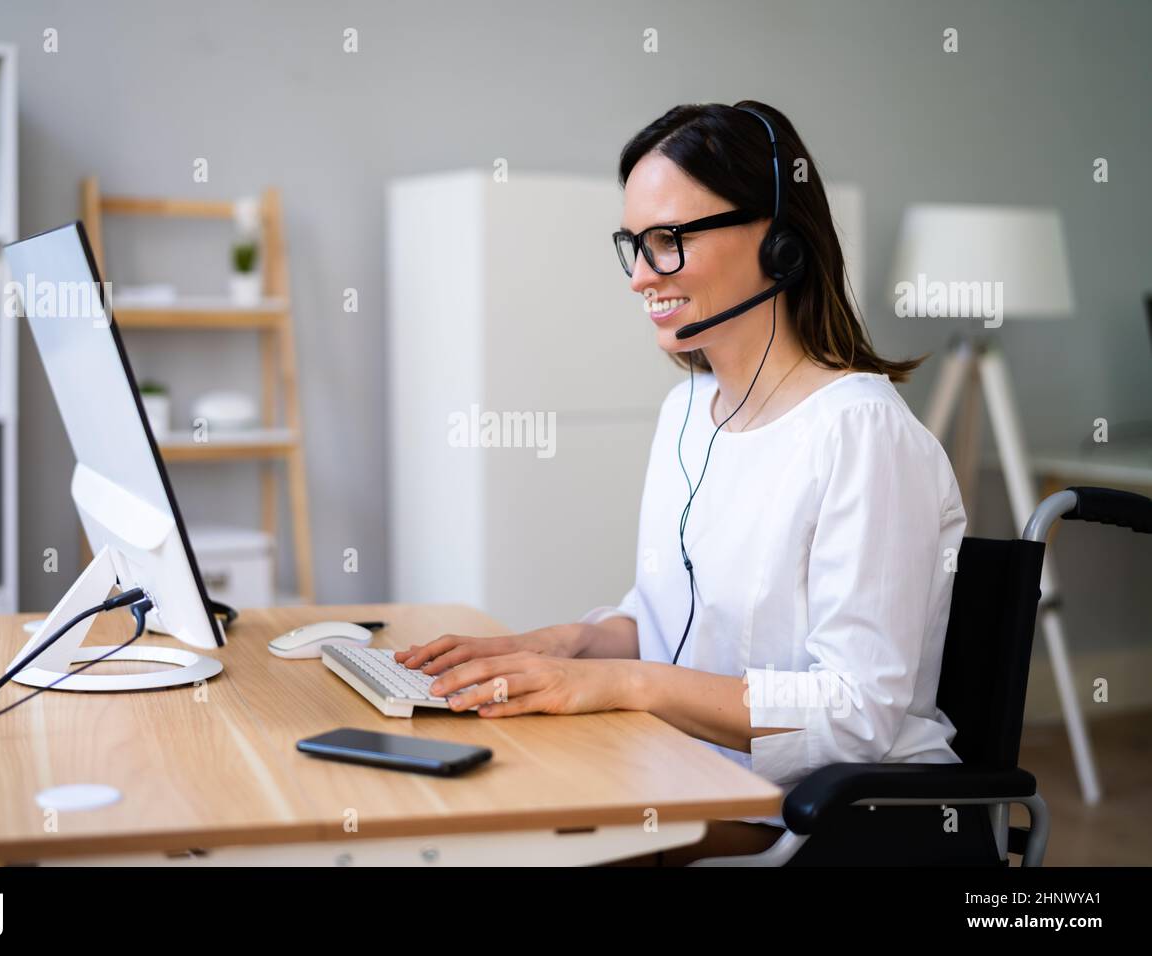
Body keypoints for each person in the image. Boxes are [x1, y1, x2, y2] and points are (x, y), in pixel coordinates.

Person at [394, 101, 969, 864]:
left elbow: (856, 715)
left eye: (666, 242)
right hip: (688, 773)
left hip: (830, 820)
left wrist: (628, 685)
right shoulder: (688, 410)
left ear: (779, 242)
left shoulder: (862, 433)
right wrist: (558, 648)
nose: (639, 277)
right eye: (633, 245)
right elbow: (671, 623)